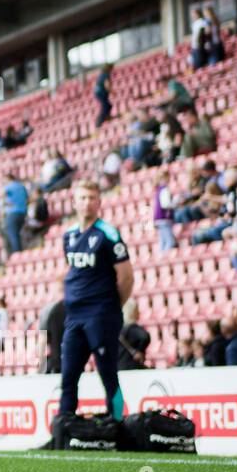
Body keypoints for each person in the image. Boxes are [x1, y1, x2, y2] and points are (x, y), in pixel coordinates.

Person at [57, 180, 132, 422]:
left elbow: (126, 276)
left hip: (101, 314)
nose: (87, 202)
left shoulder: (108, 234)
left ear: (99, 202)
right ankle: (65, 425)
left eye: (92, 198)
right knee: (68, 376)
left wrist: (111, 307)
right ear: (74, 202)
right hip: (74, 316)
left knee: (108, 373)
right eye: (83, 198)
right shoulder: (68, 235)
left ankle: (117, 423)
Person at [117, 300, 150, 370]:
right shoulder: (132, 328)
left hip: (119, 366)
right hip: (132, 366)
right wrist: (140, 350)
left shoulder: (117, 328)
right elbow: (145, 336)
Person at [189, 6, 210, 70]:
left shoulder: (202, 21)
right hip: (195, 47)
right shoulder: (194, 23)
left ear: (197, 14)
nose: (192, 16)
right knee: (196, 66)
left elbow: (207, 32)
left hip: (200, 47)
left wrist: (205, 42)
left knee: (200, 66)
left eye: (194, 14)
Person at [94, 62, 113, 127]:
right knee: (106, 106)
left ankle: (106, 118)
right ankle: (100, 121)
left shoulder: (100, 75)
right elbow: (107, 84)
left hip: (98, 93)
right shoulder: (106, 75)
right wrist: (112, 91)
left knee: (108, 105)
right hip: (102, 93)